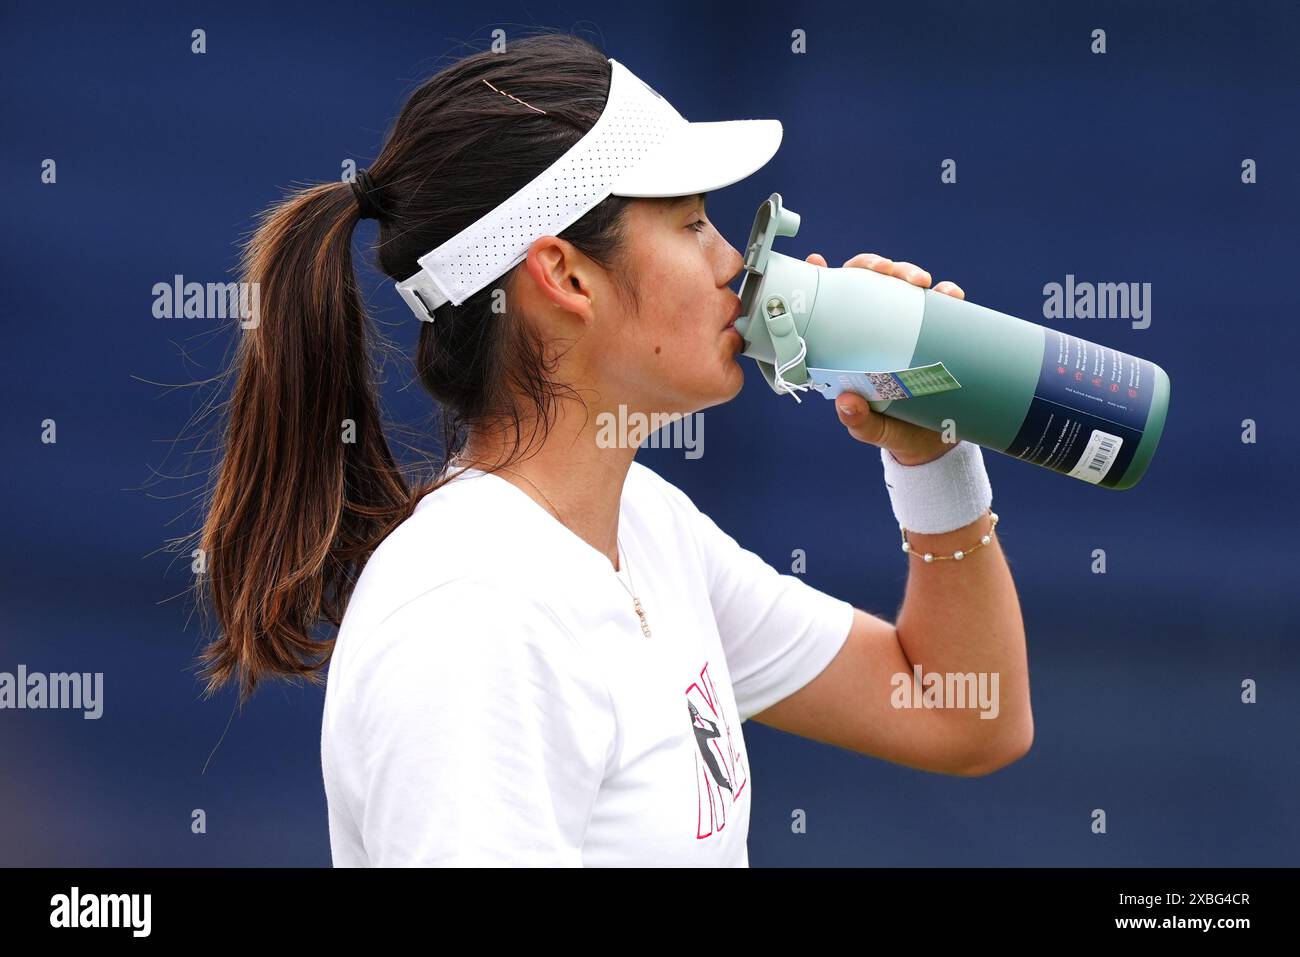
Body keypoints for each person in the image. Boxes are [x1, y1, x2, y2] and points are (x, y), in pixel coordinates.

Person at [193, 31, 1031, 867]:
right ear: (566, 277)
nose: (734, 262)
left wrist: (932, 448)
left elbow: (965, 714)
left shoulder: (647, 528)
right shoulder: (474, 613)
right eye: (693, 223)